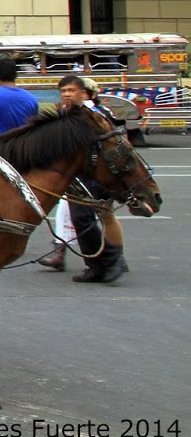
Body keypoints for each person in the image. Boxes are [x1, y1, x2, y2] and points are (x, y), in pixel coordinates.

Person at [54, 74, 130, 283]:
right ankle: (97, 265)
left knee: (104, 214)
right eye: (64, 91)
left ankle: (114, 260)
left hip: (99, 173)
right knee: (82, 219)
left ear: (83, 93)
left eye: (71, 90)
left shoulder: (93, 113)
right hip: (79, 174)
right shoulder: (67, 114)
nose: (67, 94)